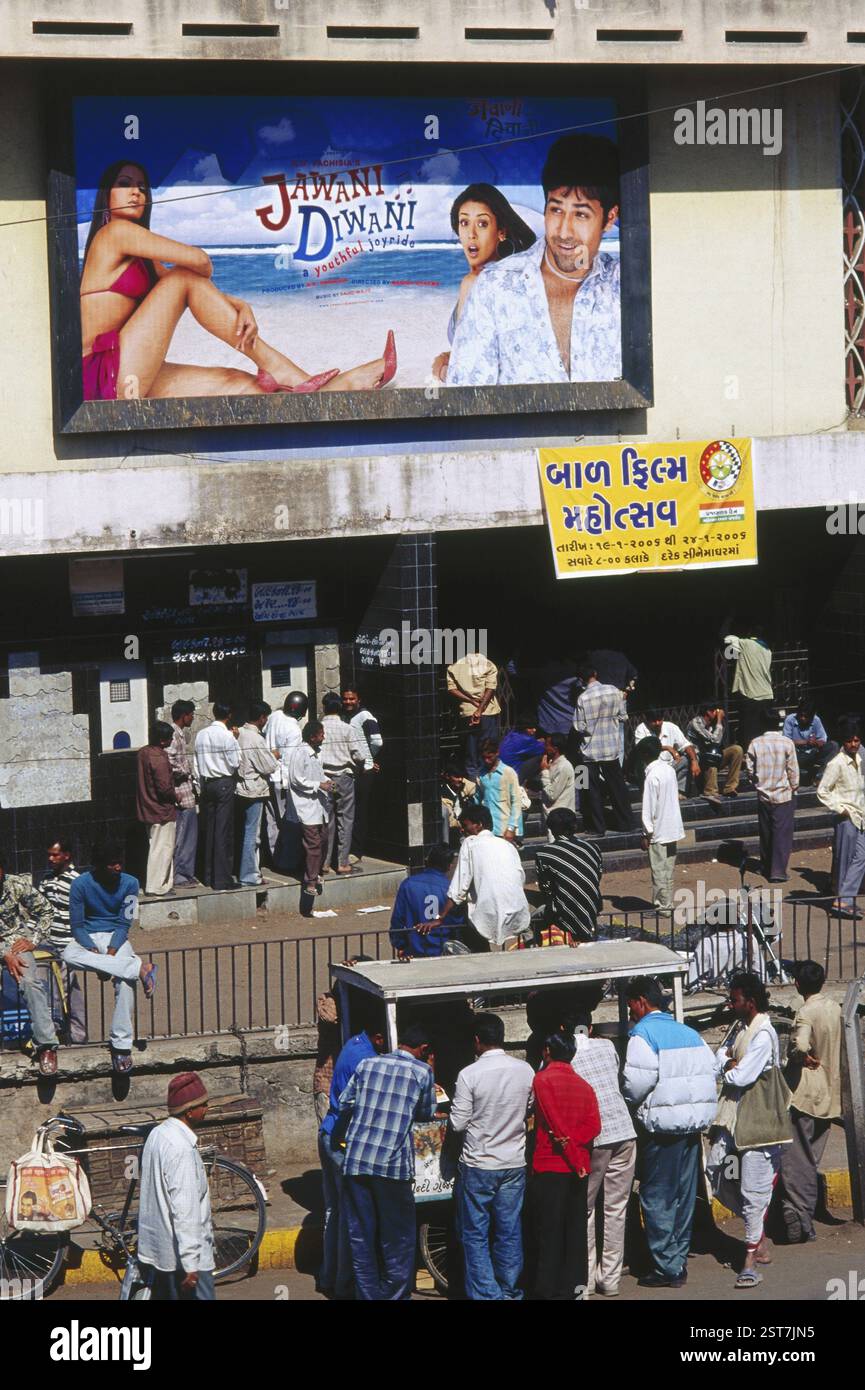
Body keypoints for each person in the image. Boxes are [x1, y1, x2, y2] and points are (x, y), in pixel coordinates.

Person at [80, 159, 395, 401]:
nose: (137, 191)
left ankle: (323, 394)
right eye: (125, 183)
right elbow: (198, 263)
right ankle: (290, 373)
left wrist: (237, 302)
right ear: (106, 194)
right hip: (102, 375)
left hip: (127, 370)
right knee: (180, 280)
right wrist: (221, 293)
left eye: (142, 186)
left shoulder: (140, 252)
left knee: (241, 383)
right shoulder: (114, 233)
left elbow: (189, 286)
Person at [447, 134, 620, 385]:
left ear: (609, 218)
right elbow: (464, 399)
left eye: (581, 215)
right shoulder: (494, 288)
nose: (564, 231)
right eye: (556, 209)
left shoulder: (622, 287)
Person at [623, 976, 718, 1288]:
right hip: (691, 1129)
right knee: (683, 1195)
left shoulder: (642, 1034)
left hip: (662, 1133)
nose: (630, 1014)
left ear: (640, 1001)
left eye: (630, 1007)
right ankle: (676, 1259)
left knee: (657, 1197)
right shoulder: (690, 1033)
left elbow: (636, 1084)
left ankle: (667, 1266)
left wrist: (628, 1101)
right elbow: (711, 1071)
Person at [338, 1022, 436, 1301]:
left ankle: (368, 1296)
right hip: (392, 1168)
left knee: (361, 1237)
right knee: (398, 1239)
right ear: (424, 1049)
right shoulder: (422, 1072)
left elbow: (345, 1103)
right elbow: (425, 1114)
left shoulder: (368, 1064)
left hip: (357, 1161)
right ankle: (394, 1296)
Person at [707, 972, 791, 1289]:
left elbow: (738, 1076)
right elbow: (723, 1063)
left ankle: (750, 1259)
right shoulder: (741, 1029)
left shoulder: (763, 1034)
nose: (730, 1004)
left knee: (753, 1192)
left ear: (750, 1002)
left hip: (761, 1126)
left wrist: (727, 1063)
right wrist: (727, 1061)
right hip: (735, 1121)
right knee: (716, 1172)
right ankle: (757, 1235)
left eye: (734, 999)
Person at [449, 1012, 535, 1300]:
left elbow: (458, 1123)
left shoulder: (468, 1075)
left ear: (476, 1041)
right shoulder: (525, 1070)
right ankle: (509, 1291)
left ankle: (487, 1294)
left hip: (479, 1164)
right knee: (509, 1231)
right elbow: (529, 1109)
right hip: (514, 1162)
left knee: (475, 1234)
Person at [63, 844, 157, 1074]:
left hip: (117, 937)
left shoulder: (131, 883)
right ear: (98, 866)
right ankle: (139, 967)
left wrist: (112, 953)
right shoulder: (80, 884)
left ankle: (122, 1045)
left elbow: (125, 923)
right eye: (111, 864)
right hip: (88, 939)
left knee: (126, 982)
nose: (117, 867)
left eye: (120, 863)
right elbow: (77, 926)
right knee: (68, 955)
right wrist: (95, 953)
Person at [432, 183, 536, 382]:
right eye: (464, 223)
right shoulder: (504, 278)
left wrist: (442, 369)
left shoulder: (479, 282)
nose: (471, 233)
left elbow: (473, 374)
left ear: (501, 232)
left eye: (482, 224)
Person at [318, 1016, 387, 1300]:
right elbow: (355, 1103)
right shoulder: (367, 1060)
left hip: (329, 1132)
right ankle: (344, 1285)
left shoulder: (354, 1043)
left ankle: (329, 1276)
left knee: (335, 1212)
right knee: (351, 1219)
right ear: (380, 1037)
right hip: (341, 1140)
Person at [570, 1010, 638, 1298]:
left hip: (593, 1136)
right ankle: (609, 1280)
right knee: (616, 1207)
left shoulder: (563, 1054)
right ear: (592, 1025)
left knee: (584, 1210)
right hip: (623, 1129)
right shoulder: (608, 1046)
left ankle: (583, 1280)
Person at [530, 1031, 601, 1301]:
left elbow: (554, 1122)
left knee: (549, 1232)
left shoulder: (543, 1080)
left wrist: (568, 1147)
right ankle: (575, 1290)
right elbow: (594, 1126)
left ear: (548, 1050)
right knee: (575, 1231)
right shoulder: (585, 1086)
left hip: (552, 1165)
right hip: (578, 1166)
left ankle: (546, 1292)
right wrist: (576, 1150)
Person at [137, 1072, 215, 1300]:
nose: (207, 1108)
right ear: (189, 1111)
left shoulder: (158, 1135)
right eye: (203, 1105)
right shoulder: (181, 1149)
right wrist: (191, 1264)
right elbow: (185, 1210)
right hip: (187, 1259)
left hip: (162, 1254)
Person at [780, 960, 842, 1244]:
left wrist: (798, 1055)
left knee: (797, 1160)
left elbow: (802, 1045)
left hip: (805, 1093)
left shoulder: (806, 1011)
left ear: (797, 984)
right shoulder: (833, 1008)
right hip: (828, 1094)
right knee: (811, 1157)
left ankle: (799, 1217)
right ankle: (803, 1218)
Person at [422, 804, 531, 951]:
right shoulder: (508, 845)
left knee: (463, 917)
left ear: (478, 825)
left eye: (465, 825)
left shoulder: (470, 843)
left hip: (487, 917)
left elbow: (459, 888)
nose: (462, 829)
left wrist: (440, 918)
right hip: (518, 913)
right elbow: (520, 878)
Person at [0, 854, 62, 1076]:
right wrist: (4, 954)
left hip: (16, 942)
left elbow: (46, 911)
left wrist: (33, 940)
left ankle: (47, 1045)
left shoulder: (16, 884)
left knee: (30, 982)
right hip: (3, 948)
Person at [573, 662, 634, 836]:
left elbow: (579, 726)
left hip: (588, 752)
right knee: (618, 786)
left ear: (581, 679)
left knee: (590, 790)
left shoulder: (582, 698)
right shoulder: (614, 691)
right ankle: (626, 823)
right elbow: (623, 717)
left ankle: (597, 827)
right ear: (596, 674)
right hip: (611, 749)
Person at [38, 838, 85, 1043]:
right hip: (48, 942)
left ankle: (62, 1032)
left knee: (61, 991)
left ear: (67, 855)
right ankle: (75, 1034)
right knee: (63, 989)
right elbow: (40, 909)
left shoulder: (78, 880)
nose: (51, 858)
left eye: (55, 854)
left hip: (69, 943)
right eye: (49, 854)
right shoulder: (46, 879)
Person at [817, 719, 865, 918]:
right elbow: (822, 791)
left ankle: (845, 898)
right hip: (846, 818)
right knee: (844, 860)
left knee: (861, 857)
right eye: (849, 741)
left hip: (860, 816)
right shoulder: (836, 763)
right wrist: (841, 808)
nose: (853, 745)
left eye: (856, 741)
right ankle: (843, 901)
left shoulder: (860, 760)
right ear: (843, 742)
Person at [533, 808, 602, 943]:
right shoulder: (593, 848)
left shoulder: (544, 854)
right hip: (593, 908)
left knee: (531, 922)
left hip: (563, 913)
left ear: (551, 829)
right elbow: (598, 876)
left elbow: (546, 888)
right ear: (575, 826)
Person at [746, 708, 799, 883]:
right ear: (778, 723)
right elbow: (793, 769)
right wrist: (794, 786)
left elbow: (750, 770)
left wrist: (757, 784)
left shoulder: (755, 743)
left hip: (763, 794)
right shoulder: (787, 742)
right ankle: (778, 871)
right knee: (782, 834)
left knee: (766, 832)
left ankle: (766, 866)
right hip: (783, 794)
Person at [285, 720, 333, 914]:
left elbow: (318, 775)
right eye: (321, 734)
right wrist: (318, 785)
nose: (324, 737)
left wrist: (326, 783)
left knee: (323, 840)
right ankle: (310, 881)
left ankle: (315, 873)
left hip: (318, 806)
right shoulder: (300, 753)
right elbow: (297, 779)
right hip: (306, 807)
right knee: (313, 844)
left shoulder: (315, 754)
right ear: (313, 736)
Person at [194, 702, 240, 891]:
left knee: (211, 829)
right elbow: (235, 762)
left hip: (207, 783)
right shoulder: (227, 736)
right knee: (223, 831)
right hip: (223, 782)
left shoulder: (201, 734)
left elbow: (196, 762)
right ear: (229, 715)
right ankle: (222, 879)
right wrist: (235, 739)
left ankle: (208, 875)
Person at [389, 845, 465, 959]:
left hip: (414, 950)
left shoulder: (408, 884)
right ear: (449, 867)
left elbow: (397, 920)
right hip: (442, 951)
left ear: (427, 861)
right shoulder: (450, 889)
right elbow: (457, 923)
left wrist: (400, 945)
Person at [320, 693, 366, 875]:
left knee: (327, 820)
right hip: (344, 777)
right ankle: (342, 863)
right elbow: (359, 755)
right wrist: (359, 767)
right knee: (345, 820)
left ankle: (324, 864)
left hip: (324, 778)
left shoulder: (318, 727)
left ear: (324, 707)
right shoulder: (347, 729)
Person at [640, 737, 685, 916]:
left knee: (659, 870)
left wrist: (646, 833)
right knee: (667, 869)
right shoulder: (669, 770)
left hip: (658, 830)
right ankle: (667, 902)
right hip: (672, 827)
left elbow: (648, 808)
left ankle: (662, 906)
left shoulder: (651, 776)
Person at [235, 702, 279, 886]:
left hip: (241, 788)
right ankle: (250, 874)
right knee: (253, 834)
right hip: (254, 789)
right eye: (265, 717)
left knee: (246, 832)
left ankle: (249, 871)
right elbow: (268, 766)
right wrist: (274, 755)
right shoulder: (255, 738)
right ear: (261, 718)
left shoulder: (239, 734)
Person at [263, 690, 307, 869]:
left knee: (272, 821)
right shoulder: (294, 729)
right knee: (289, 822)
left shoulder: (274, 716)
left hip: (269, 776)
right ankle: (287, 862)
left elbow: (265, 731)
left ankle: (274, 858)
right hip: (282, 780)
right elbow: (290, 760)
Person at [341, 685, 383, 865]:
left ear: (358, 700)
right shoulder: (344, 717)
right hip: (351, 770)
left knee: (359, 811)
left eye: (352, 699)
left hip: (363, 772)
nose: (348, 702)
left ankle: (356, 851)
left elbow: (377, 741)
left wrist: (369, 760)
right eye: (346, 699)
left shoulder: (365, 717)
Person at [136, 721, 178, 897]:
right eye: (169, 738)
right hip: (161, 811)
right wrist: (177, 797)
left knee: (156, 847)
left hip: (147, 808)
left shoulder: (143, 753)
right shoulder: (159, 757)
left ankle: (163, 885)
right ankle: (156, 886)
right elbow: (164, 788)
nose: (171, 741)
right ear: (162, 740)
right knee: (163, 848)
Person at [446, 650, 501, 782]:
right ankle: (489, 781)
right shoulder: (487, 664)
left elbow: (452, 689)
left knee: (471, 751)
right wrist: (480, 710)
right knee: (488, 749)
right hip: (488, 711)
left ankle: (473, 783)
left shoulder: (454, 666)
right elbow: (491, 688)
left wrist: (470, 701)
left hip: (467, 712)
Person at [724, 626, 774, 751]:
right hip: (767, 694)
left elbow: (727, 647)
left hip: (751, 695)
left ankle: (750, 757)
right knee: (763, 730)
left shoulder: (744, 643)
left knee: (749, 731)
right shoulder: (767, 650)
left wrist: (728, 621)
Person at [167, 699, 199, 888]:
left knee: (186, 836)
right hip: (181, 793)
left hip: (185, 792)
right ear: (183, 716)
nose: (193, 717)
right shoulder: (173, 734)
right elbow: (169, 760)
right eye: (191, 714)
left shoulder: (179, 734)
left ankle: (184, 874)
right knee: (184, 836)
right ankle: (180, 875)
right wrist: (185, 771)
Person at [686, 700, 743, 803]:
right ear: (709, 712)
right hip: (699, 759)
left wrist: (719, 723)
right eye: (717, 711)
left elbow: (718, 743)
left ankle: (730, 787)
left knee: (737, 750)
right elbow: (714, 740)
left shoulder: (713, 724)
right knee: (711, 756)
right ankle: (710, 791)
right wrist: (719, 721)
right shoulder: (696, 722)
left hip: (712, 756)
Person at [633, 713, 700, 799]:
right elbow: (642, 748)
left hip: (669, 767)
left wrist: (694, 761)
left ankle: (679, 792)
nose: (657, 723)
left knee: (688, 759)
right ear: (647, 720)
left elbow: (686, 745)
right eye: (654, 721)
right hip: (651, 770)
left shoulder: (671, 727)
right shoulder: (641, 729)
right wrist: (668, 748)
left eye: (659, 720)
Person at [476, 738, 523, 839]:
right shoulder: (481, 774)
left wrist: (511, 828)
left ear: (497, 752)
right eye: (483, 758)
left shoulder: (508, 772)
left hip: (505, 829)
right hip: (487, 830)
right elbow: (478, 799)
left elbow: (516, 801)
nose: (486, 761)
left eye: (489, 757)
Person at [782, 701, 838, 787]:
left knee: (833, 745)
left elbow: (823, 739)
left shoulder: (816, 720)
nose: (803, 718)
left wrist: (816, 742)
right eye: (801, 715)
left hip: (812, 752)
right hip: (796, 755)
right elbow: (786, 741)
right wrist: (805, 742)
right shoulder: (790, 719)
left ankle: (819, 776)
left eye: (806, 716)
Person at [539, 733, 576, 828]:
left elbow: (552, 795)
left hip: (560, 820)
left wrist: (544, 771)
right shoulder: (551, 763)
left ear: (555, 749)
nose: (545, 747)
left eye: (547, 745)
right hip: (551, 816)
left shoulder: (564, 766)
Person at [499, 717, 545, 786]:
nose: (534, 730)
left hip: (502, 773)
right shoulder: (525, 740)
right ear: (523, 729)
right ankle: (534, 783)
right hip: (513, 776)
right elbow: (543, 748)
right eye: (530, 728)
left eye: (534, 727)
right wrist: (542, 742)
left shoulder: (511, 734)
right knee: (542, 755)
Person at [440, 762, 477, 842]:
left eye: (461, 776)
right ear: (448, 777)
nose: (460, 779)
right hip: (454, 833)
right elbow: (451, 822)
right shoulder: (443, 795)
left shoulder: (462, 786)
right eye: (457, 776)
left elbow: (474, 788)